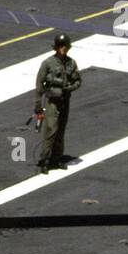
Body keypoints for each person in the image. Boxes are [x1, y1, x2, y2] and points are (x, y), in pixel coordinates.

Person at [33, 34, 82, 174]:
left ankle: (57, 158)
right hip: (52, 102)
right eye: (61, 46)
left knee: (60, 131)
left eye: (65, 46)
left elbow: (78, 81)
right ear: (56, 47)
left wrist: (70, 88)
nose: (63, 49)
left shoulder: (71, 63)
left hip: (65, 102)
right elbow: (39, 85)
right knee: (50, 130)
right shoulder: (48, 63)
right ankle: (45, 161)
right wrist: (38, 105)